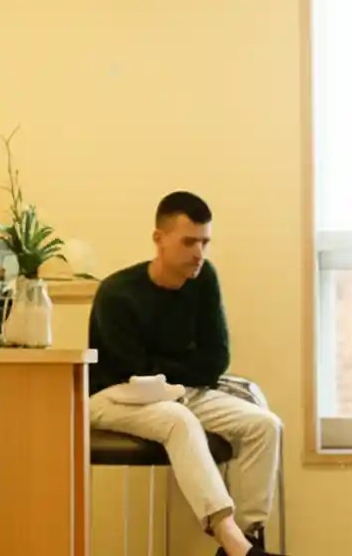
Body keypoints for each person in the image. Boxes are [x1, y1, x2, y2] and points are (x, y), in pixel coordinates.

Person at [89, 191, 282, 556]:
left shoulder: (204, 278)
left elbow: (217, 358)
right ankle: (232, 541)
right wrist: (180, 368)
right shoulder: (117, 294)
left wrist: (167, 371)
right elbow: (132, 371)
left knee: (265, 425)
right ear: (159, 240)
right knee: (178, 420)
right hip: (112, 396)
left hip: (182, 392)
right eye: (189, 242)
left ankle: (243, 540)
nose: (199, 253)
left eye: (205, 242)